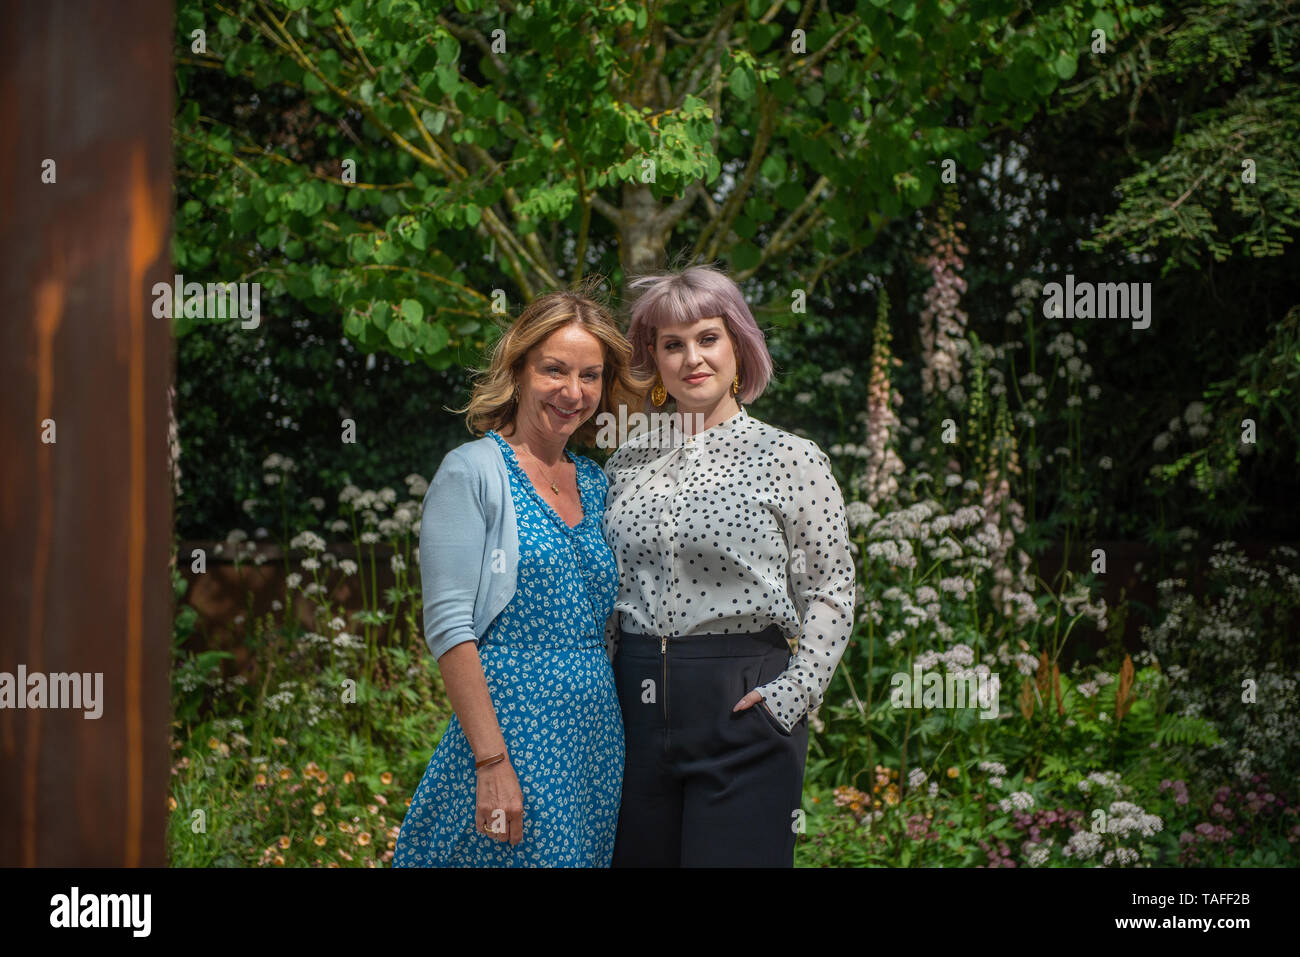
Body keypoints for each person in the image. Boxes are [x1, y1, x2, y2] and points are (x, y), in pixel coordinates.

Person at [602, 264, 857, 867]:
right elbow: (608, 587)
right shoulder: (625, 462)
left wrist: (790, 698)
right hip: (632, 713)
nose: (692, 357)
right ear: (655, 361)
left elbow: (831, 589)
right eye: (672, 344)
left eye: (708, 338)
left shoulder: (791, 458)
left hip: (743, 705)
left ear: (739, 345)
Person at [394, 289, 648, 867]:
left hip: (593, 741)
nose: (572, 392)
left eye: (589, 376)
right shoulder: (472, 471)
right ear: (518, 370)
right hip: (510, 732)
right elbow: (450, 629)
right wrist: (490, 762)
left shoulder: (596, 481)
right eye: (554, 370)